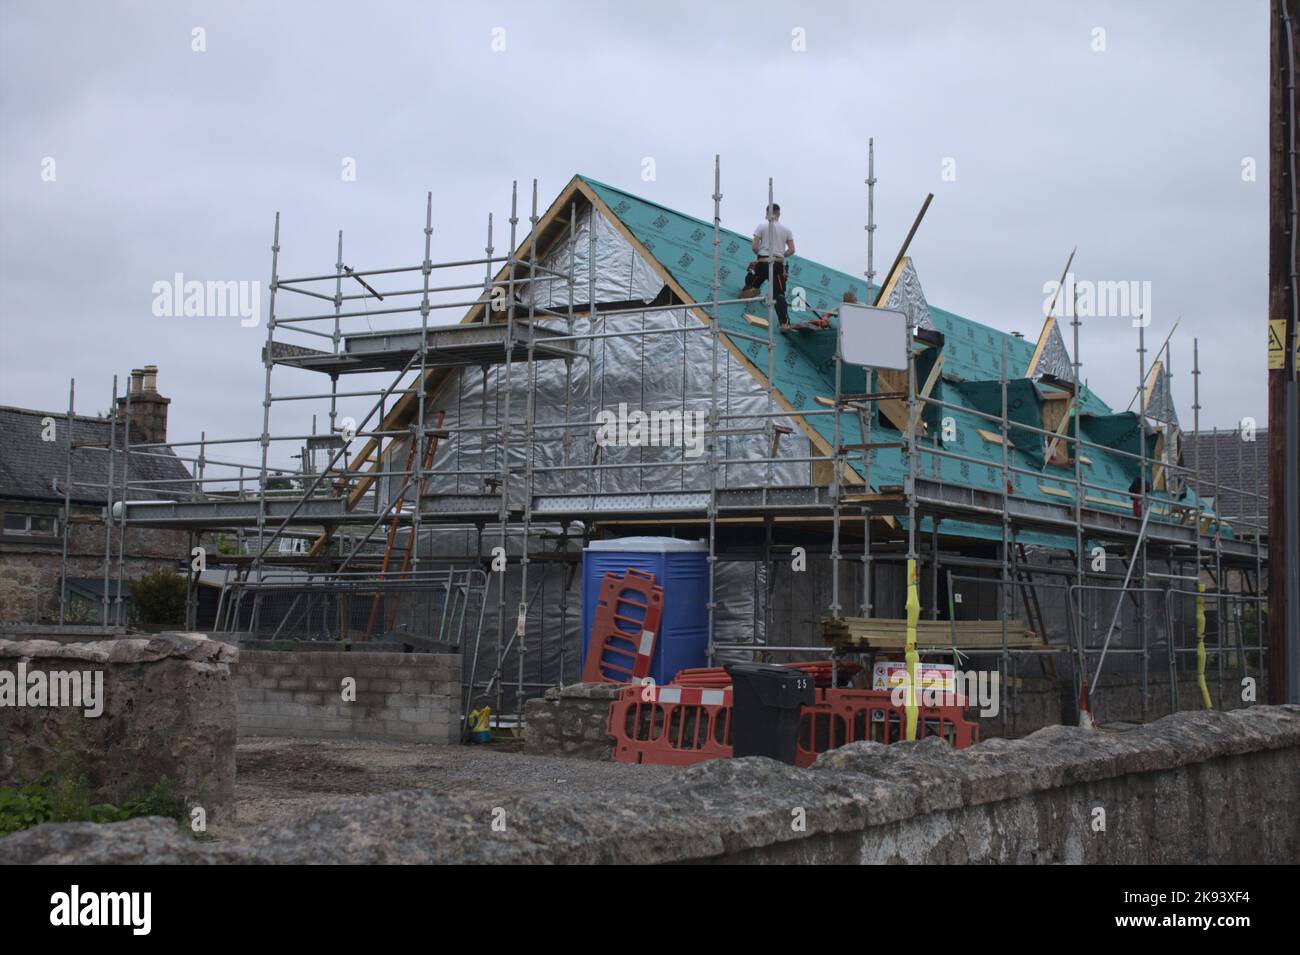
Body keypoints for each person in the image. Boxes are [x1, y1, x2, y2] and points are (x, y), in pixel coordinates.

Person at [739, 203, 795, 328]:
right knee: (779, 294)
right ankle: (784, 323)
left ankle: (752, 289)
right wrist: (780, 255)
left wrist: (761, 255)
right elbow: (791, 250)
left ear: (767, 213)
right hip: (778, 265)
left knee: (750, 281)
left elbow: (754, 246)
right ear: (779, 214)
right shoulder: (787, 230)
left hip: (763, 263)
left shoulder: (762, 226)